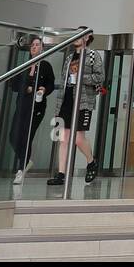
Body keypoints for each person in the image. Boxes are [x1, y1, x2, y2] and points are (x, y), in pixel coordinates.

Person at [47, 32, 103, 187]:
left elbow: (99, 77)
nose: (76, 38)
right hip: (66, 100)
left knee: (78, 138)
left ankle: (91, 162)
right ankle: (61, 174)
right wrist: (59, 105)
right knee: (63, 138)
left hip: (83, 101)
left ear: (87, 38)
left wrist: (80, 77)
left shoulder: (93, 56)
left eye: (79, 35)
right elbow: (64, 80)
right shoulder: (68, 58)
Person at [9, 36, 55, 184]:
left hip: (37, 106)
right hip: (22, 104)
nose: (34, 47)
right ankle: (25, 160)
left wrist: (43, 89)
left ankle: (20, 169)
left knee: (27, 136)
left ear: (42, 48)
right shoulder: (24, 65)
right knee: (14, 136)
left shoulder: (46, 66)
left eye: (37, 45)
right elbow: (14, 84)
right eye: (33, 45)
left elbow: (51, 84)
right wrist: (27, 88)